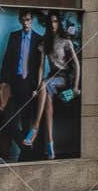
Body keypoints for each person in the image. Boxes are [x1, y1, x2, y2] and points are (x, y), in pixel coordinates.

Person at [24, 10, 80, 161]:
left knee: (45, 84)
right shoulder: (45, 41)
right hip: (51, 80)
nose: (53, 24)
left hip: (65, 78)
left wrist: (75, 88)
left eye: (55, 21)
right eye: (50, 22)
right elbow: (41, 66)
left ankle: (34, 129)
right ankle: (50, 146)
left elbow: (76, 64)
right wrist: (37, 87)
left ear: (59, 23)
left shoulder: (65, 40)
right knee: (48, 102)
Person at [0, 9, 45, 155]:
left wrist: (37, 87)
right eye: (23, 20)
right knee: (8, 118)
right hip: (14, 82)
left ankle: (26, 157)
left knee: (26, 122)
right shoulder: (14, 36)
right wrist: (2, 84)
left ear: (32, 21)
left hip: (29, 85)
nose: (26, 23)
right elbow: (6, 60)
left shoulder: (39, 39)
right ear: (20, 20)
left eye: (28, 20)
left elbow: (40, 66)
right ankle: (25, 146)